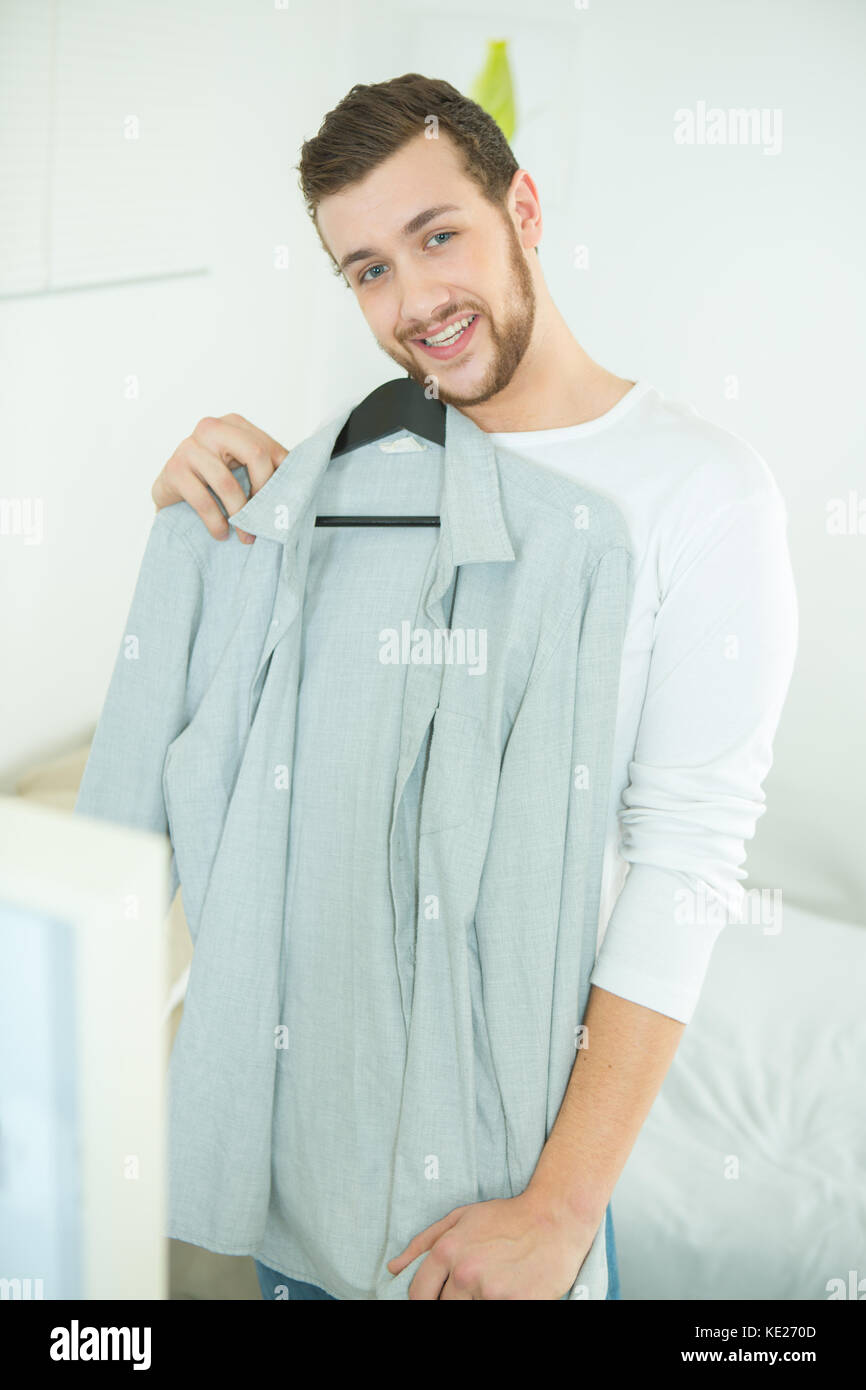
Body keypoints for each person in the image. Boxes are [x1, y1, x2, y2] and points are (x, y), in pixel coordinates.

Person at [145, 74, 798, 1300]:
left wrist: (558, 1211)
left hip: (508, 1190)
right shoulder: (355, 481)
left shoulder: (697, 495)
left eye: (437, 235)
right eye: (367, 270)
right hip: (315, 1182)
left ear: (524, 209)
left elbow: (685, 861)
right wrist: (192, 525)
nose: (414, 302)